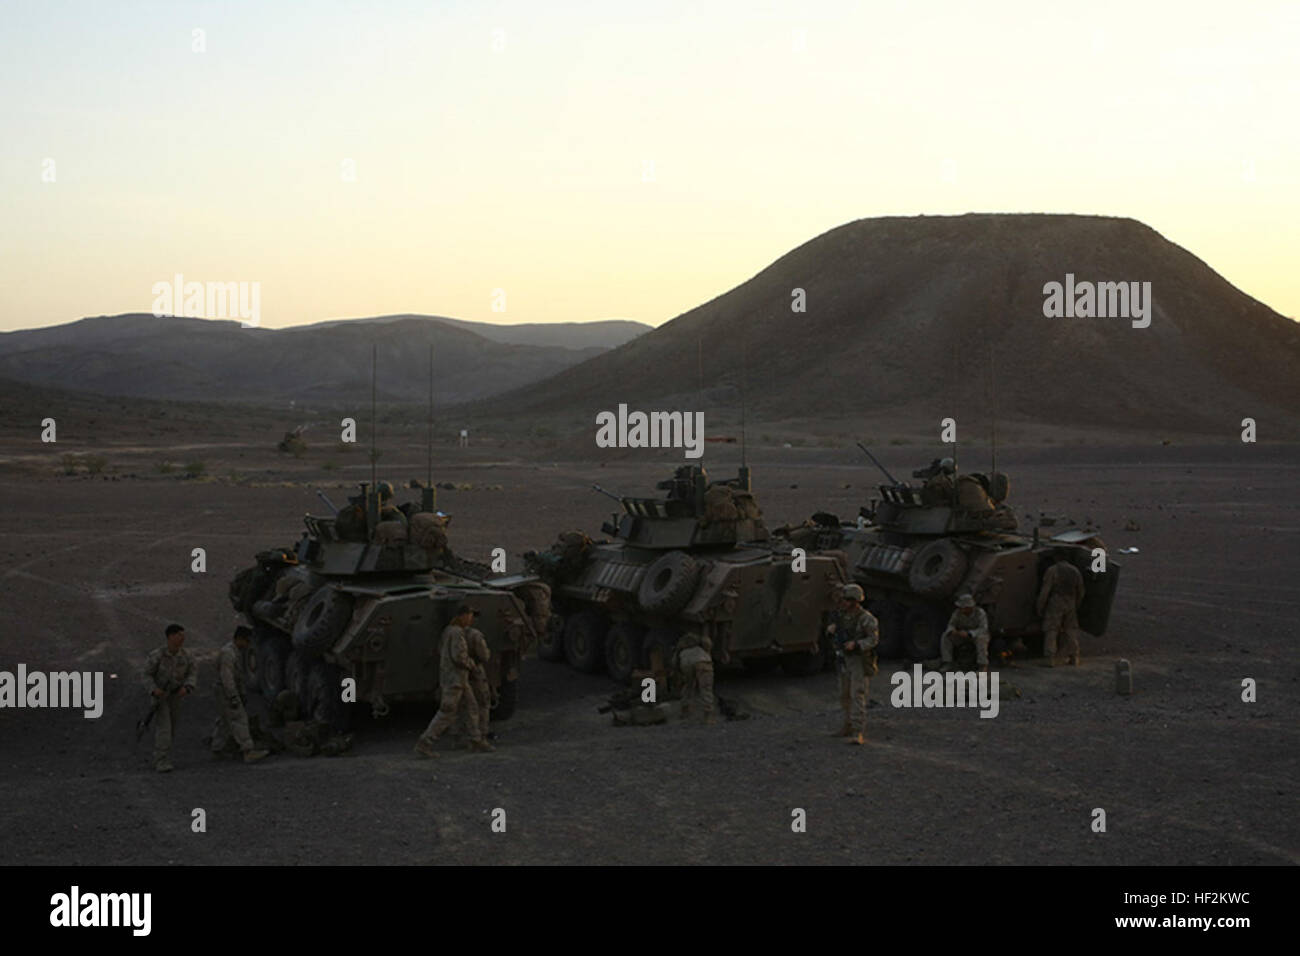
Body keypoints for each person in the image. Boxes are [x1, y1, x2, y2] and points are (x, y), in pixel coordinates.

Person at [415, 606, 492, 756]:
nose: (471, 619)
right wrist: (472, 664)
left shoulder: (448, 631)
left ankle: (475, 740)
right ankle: (425, 742)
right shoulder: (456, 632)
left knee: (472, 708)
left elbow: (440, 650)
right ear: (462, 616)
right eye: (469, 616)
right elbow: (459, 657)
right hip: (455, 680)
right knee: (447, 712)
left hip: (457, 678)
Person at [141, 623, 198, 773]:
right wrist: (154, 690)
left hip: (175, 696)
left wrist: (187, 687)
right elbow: (146, 674)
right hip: (161, 697)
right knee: (164, 728)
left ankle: (163, 755)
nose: (182, 638)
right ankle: (161, 760)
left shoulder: (186, 656)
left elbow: (192, 672)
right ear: (170, 636)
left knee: (172, 727)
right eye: (179, 635)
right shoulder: (157, 655)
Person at [210, 625, 270, 764]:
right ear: (240, 639)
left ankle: (217, 749)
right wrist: (233, 696)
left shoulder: (236, 652)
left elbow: (239, 676)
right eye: (247, 640)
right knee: (239, 718)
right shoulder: (228, 653)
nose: (248, 644)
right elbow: (227, 678)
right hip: (226, 690)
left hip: (226, 690)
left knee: (225, 720)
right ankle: (248, 750)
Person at [829, 584, 879, 745]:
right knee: (844, 694)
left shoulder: (866, 619)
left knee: (857, 694)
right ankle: (847, 725)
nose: (843, 602)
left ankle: (858, 731)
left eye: (846, 599)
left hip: (859, 659)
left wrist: (856, 644)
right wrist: (831, 630)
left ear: (854, 601)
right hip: (844, 658)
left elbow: (873, 639)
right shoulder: (841, 616)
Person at [1037, 557, 1085, 666]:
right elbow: (1081, 590)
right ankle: (1074, 656)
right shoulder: (1075, 570)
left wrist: (1040, 607)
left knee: (1051, 629)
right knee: (1071, 630)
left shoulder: (1053, 570)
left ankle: (1050, 658)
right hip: (1071, 601)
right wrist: (1076, 604)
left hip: (1056, 602)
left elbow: (1045, 591)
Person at [456, 626, 493, 746]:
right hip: (476, 672)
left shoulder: (451, 633)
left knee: (463, 705)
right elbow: (485, 656)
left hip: (460, 673)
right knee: (483, 702)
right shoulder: (475, 635)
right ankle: (481, 735)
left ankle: (463, 736)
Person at [673, 630, 715, 724]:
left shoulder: (681, 650)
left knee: (688, 685)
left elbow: (674, 664)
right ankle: (708, 716)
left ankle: (685, 710)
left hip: (686, 663)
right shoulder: (703, 647)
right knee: (705, 688)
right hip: (703, 663)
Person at [941, 594, 991, 672]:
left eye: (964, 608)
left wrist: (969, 633)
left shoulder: (980, 613)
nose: (961, 609)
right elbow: (951, 624)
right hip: (961, 635)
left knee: (982, 639)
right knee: (946, 636)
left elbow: (983, 628)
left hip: (975, 636)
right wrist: (952, 630)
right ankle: (948, 662)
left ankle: (982, 665)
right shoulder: (957, 613)